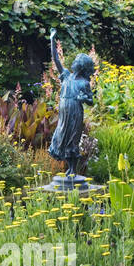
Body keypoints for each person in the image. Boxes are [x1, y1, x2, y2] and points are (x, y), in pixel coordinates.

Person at [47, 27, 95, 178]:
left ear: (80, 66)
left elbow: (91, 101)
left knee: (72, 140)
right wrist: (52, 40)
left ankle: (73, 169)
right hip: (64, 112)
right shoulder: (66, 76)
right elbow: (56, 59)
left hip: (75, 113)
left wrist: (83, 99)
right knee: (62, 137)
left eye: (75, 61)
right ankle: (69, 168)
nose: (72, 62)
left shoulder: (83, 83)